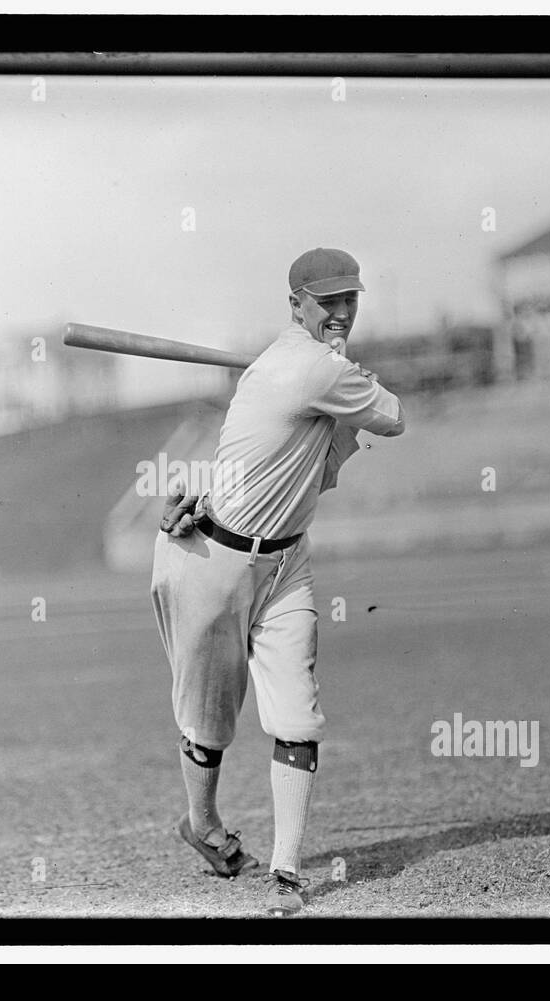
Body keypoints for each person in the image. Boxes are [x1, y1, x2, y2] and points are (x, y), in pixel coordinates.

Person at [150, 247, 405, 916]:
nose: (343, 311)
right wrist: (350, 371)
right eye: (328, 303)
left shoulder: (298, 366)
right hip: (213, 563)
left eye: (351, 298)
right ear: (297, 307)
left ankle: (288, 872)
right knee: (209, 726)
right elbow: (394, 416)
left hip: (286, 564)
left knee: (298, 714)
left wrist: (338, 366)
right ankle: (201, 824)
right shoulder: (310, 370)